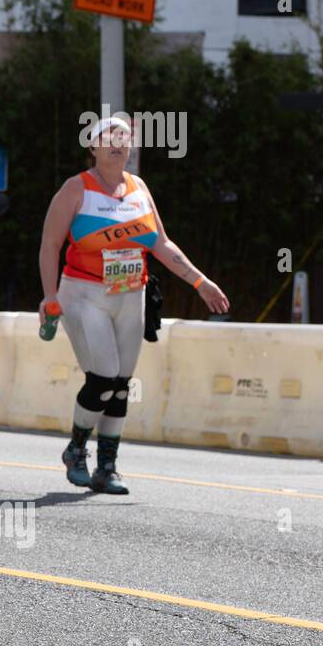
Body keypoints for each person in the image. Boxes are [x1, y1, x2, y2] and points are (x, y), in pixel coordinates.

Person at [38, 116, 229, 495]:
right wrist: (50, 296)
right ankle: (76, 449)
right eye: (108, 137)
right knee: (104, 376)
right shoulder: (76, 189)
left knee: (122, 385)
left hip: (131, 293)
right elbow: (49, 247)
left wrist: (199, 281)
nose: (117, 144)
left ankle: (107, 466)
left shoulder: (138, 188)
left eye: (124, 138)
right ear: (92, 147)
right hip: (84, 294)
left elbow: (161, 243)